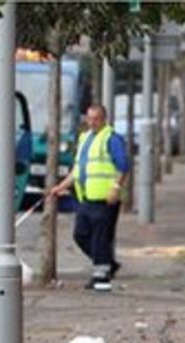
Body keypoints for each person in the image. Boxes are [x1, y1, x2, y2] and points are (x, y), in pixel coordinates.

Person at [51, 104, 129, 291]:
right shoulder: (85, 138)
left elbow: (123, 165)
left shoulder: (111, 138)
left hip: (105, 199)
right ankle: (108, 264)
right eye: (90, 118)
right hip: (86, 198)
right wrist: (60, 187)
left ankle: (101, 278)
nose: (92, 122)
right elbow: (78, 170)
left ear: (104, 120)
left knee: (100, 238)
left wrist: (116, 188)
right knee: (80, 235)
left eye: (96, 119)